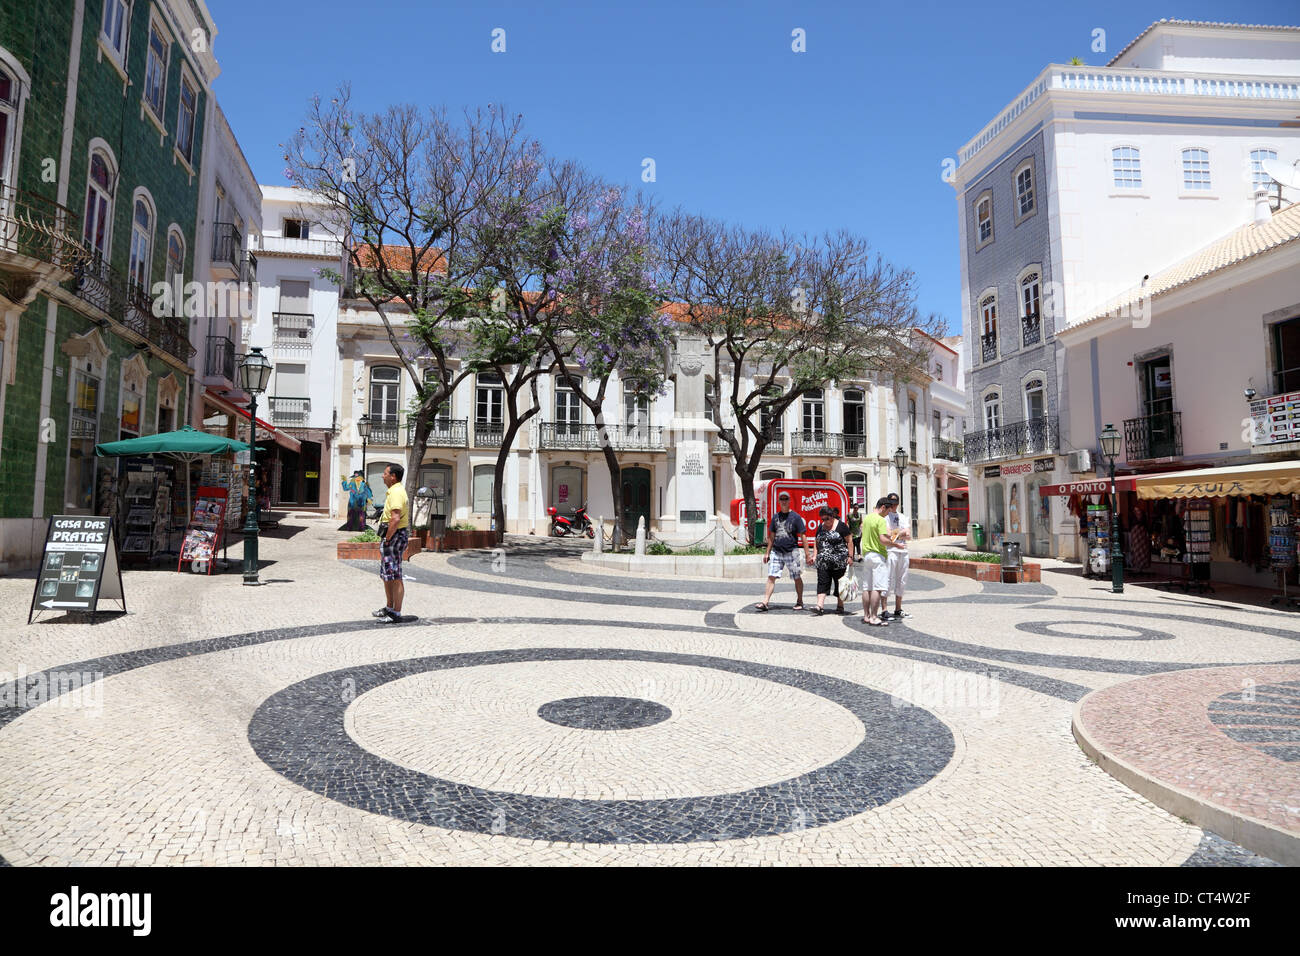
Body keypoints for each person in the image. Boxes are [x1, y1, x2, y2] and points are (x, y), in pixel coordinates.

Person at [755, 491, 806, 611]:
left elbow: (803, 535)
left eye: (786, 499)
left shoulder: (796, 517)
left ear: (789, 501)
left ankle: (800, 601)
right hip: (777, 552)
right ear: (779, 501)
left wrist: (807, 554)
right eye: (781, 499)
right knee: (771, 576)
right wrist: (767, 552)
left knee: (796, 577)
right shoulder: (775, 517)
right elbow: (771, 536)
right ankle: (765, 601)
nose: (784, 501)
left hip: (791, 552)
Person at [373, 464, 410, 623]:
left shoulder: (396, 492)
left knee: (394, 575)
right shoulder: (394, 491)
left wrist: (388, 538)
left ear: (393, 476)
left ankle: (396, 612)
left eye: (385, 473)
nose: (382, 476)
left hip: (394, 536)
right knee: (387, 575)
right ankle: (389, 607)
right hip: (393, 535)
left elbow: (395, 518)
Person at [805, 506, 853, 614]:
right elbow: (816, 542)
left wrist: (850, 556)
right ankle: (819, 606)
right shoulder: (820, 527)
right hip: (823, 562)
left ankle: (840, 606)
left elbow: (849, 541)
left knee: (839, 583)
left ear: (832, 516)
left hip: (839, 561)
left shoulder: (841, 526)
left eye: (826, 519)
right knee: (822, 582)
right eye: (822, 519)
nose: (825, 521)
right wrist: (815, 555)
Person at [859, 497, 898, 626]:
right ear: (883, 507)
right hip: (878, 555)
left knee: (867, 587)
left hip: (867, 555)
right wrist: (895, 544)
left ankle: (866, 615)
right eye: (887, 511)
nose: (887, 514)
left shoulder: (867, 518)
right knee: (877, 588)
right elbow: (883, 539)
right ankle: (874, 616)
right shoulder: (880, 520)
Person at [883, 492, 911, 621]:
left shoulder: (903, 517)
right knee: (888, 578)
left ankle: (898, 608)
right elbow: (888, 535)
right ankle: (884, 609)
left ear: (898, 504)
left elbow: (909, 535)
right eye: (890, 504)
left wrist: (896, 534)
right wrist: (901, 533)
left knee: (902, 580)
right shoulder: (885, 518)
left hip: (903, 551)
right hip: (890, 550)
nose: (893, 506)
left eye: (894, 504)